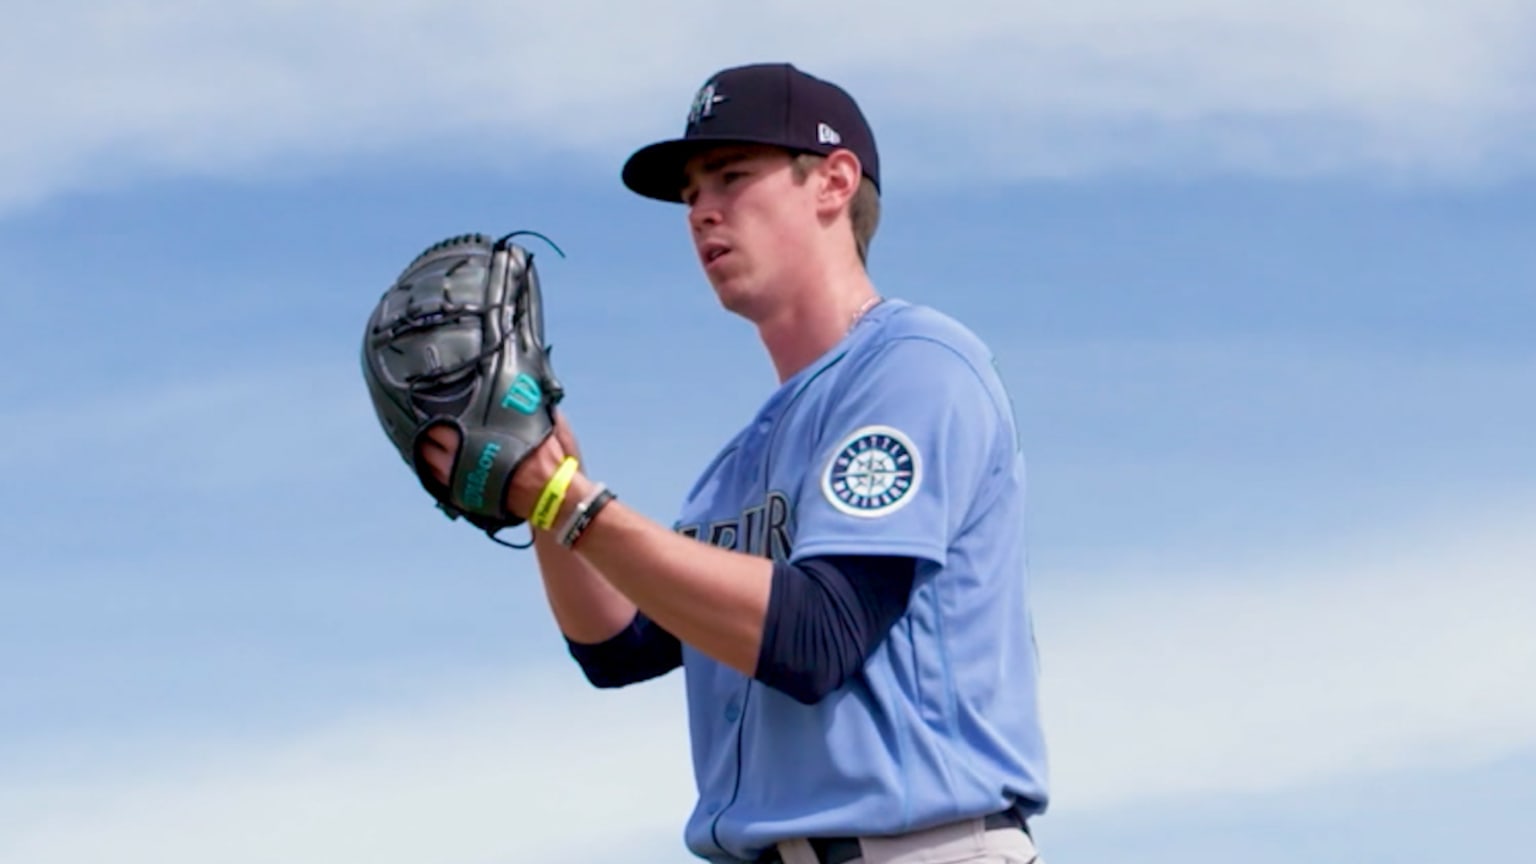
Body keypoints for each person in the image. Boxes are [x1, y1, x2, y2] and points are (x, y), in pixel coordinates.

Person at [419, 61, 1050, 864]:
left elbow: (817, 635)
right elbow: (624, 649)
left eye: (731, 177)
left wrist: (575, 504)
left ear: (833, 181)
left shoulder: (916, 368)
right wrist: (542, 492)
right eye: (690, 196)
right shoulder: (741, 458)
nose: (702, 212)